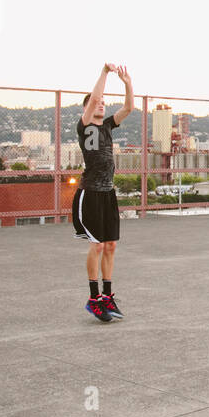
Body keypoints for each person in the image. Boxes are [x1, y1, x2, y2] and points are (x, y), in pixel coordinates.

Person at [73, 63, 133, 322]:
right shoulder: (86, 127)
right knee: (96, 246)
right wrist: (105, 73)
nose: (101, 105)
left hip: (108, 193)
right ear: (87, 108)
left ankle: (107, 296)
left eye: (103, 103)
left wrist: (128, 83)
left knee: (110, 245)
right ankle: (93, 297)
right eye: (97, 103)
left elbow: (129, 108)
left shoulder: (108, 126)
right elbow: (95, 97)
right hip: (90, 194)